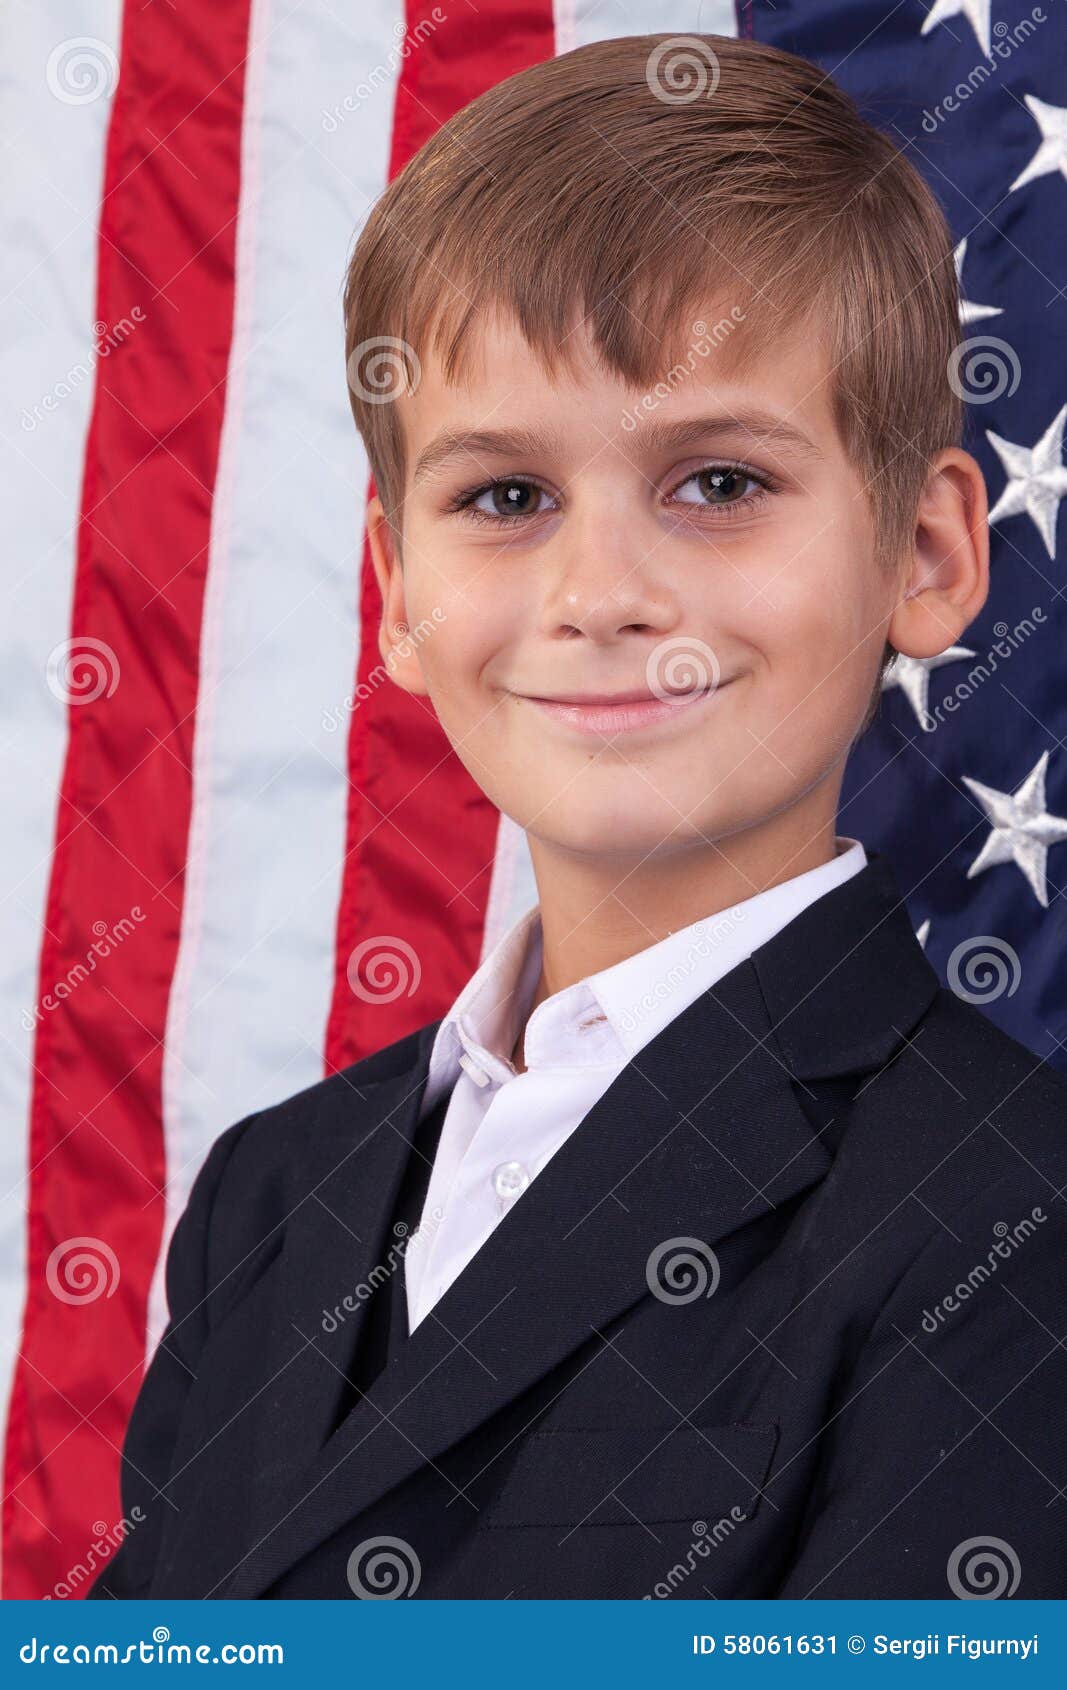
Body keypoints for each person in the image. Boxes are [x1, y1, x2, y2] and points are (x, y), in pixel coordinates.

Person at [90, 33, 1067, 1600]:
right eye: (505, 497)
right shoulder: (273, 1193)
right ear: (396, 589)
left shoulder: (1012, 1216)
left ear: (930, 553)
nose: (601, 594)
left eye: (720, 483)